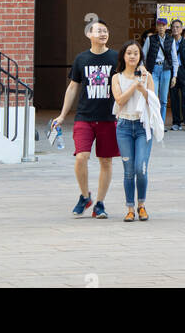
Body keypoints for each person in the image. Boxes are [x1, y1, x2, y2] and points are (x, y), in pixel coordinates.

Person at [53, 17, 119, 217]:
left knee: (105, 161)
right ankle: (84, 196)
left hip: (108, 117)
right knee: (81, 157)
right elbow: (73, 87)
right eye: (98, 31)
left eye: (105, 31)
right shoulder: (81, 59)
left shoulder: (116, 58)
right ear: (89, 34)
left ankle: (100, 203)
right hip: (84, 117)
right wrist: (62, 115)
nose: (103, 34)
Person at [111, 41, 159, 221]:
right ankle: (130, 208)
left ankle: (142, 205)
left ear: (140, 57)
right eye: (129, 53)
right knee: (128, 170)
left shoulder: (148, 77)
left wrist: (143, 85)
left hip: (142, 127)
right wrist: (135, 84)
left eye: (136, 53)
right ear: (123, 56)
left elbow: (153, 101)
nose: (132, 56)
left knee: (141, 168)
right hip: (123, 126)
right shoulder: (117, 77)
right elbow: (119, 100)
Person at [142, 18, 175, 121]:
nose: (161, 27)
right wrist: (143, 70)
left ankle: (161, 123)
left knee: (164, 100)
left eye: (163, 25)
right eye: (159, 25)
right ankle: (154, 122)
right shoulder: (150, 39)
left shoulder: (171, 40)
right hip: (154, 69)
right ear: (156, 27)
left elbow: (174, 59)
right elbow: (143, 55)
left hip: (166, 70)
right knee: (154, 98)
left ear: (166, 27)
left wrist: (175, 75)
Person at [169, 19, 185, 131]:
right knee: (174, 99)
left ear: (181, 29)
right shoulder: (168, 42)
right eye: (173, 27)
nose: (175, 29)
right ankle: (176, 123)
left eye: (177, 27)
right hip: (172, 73)